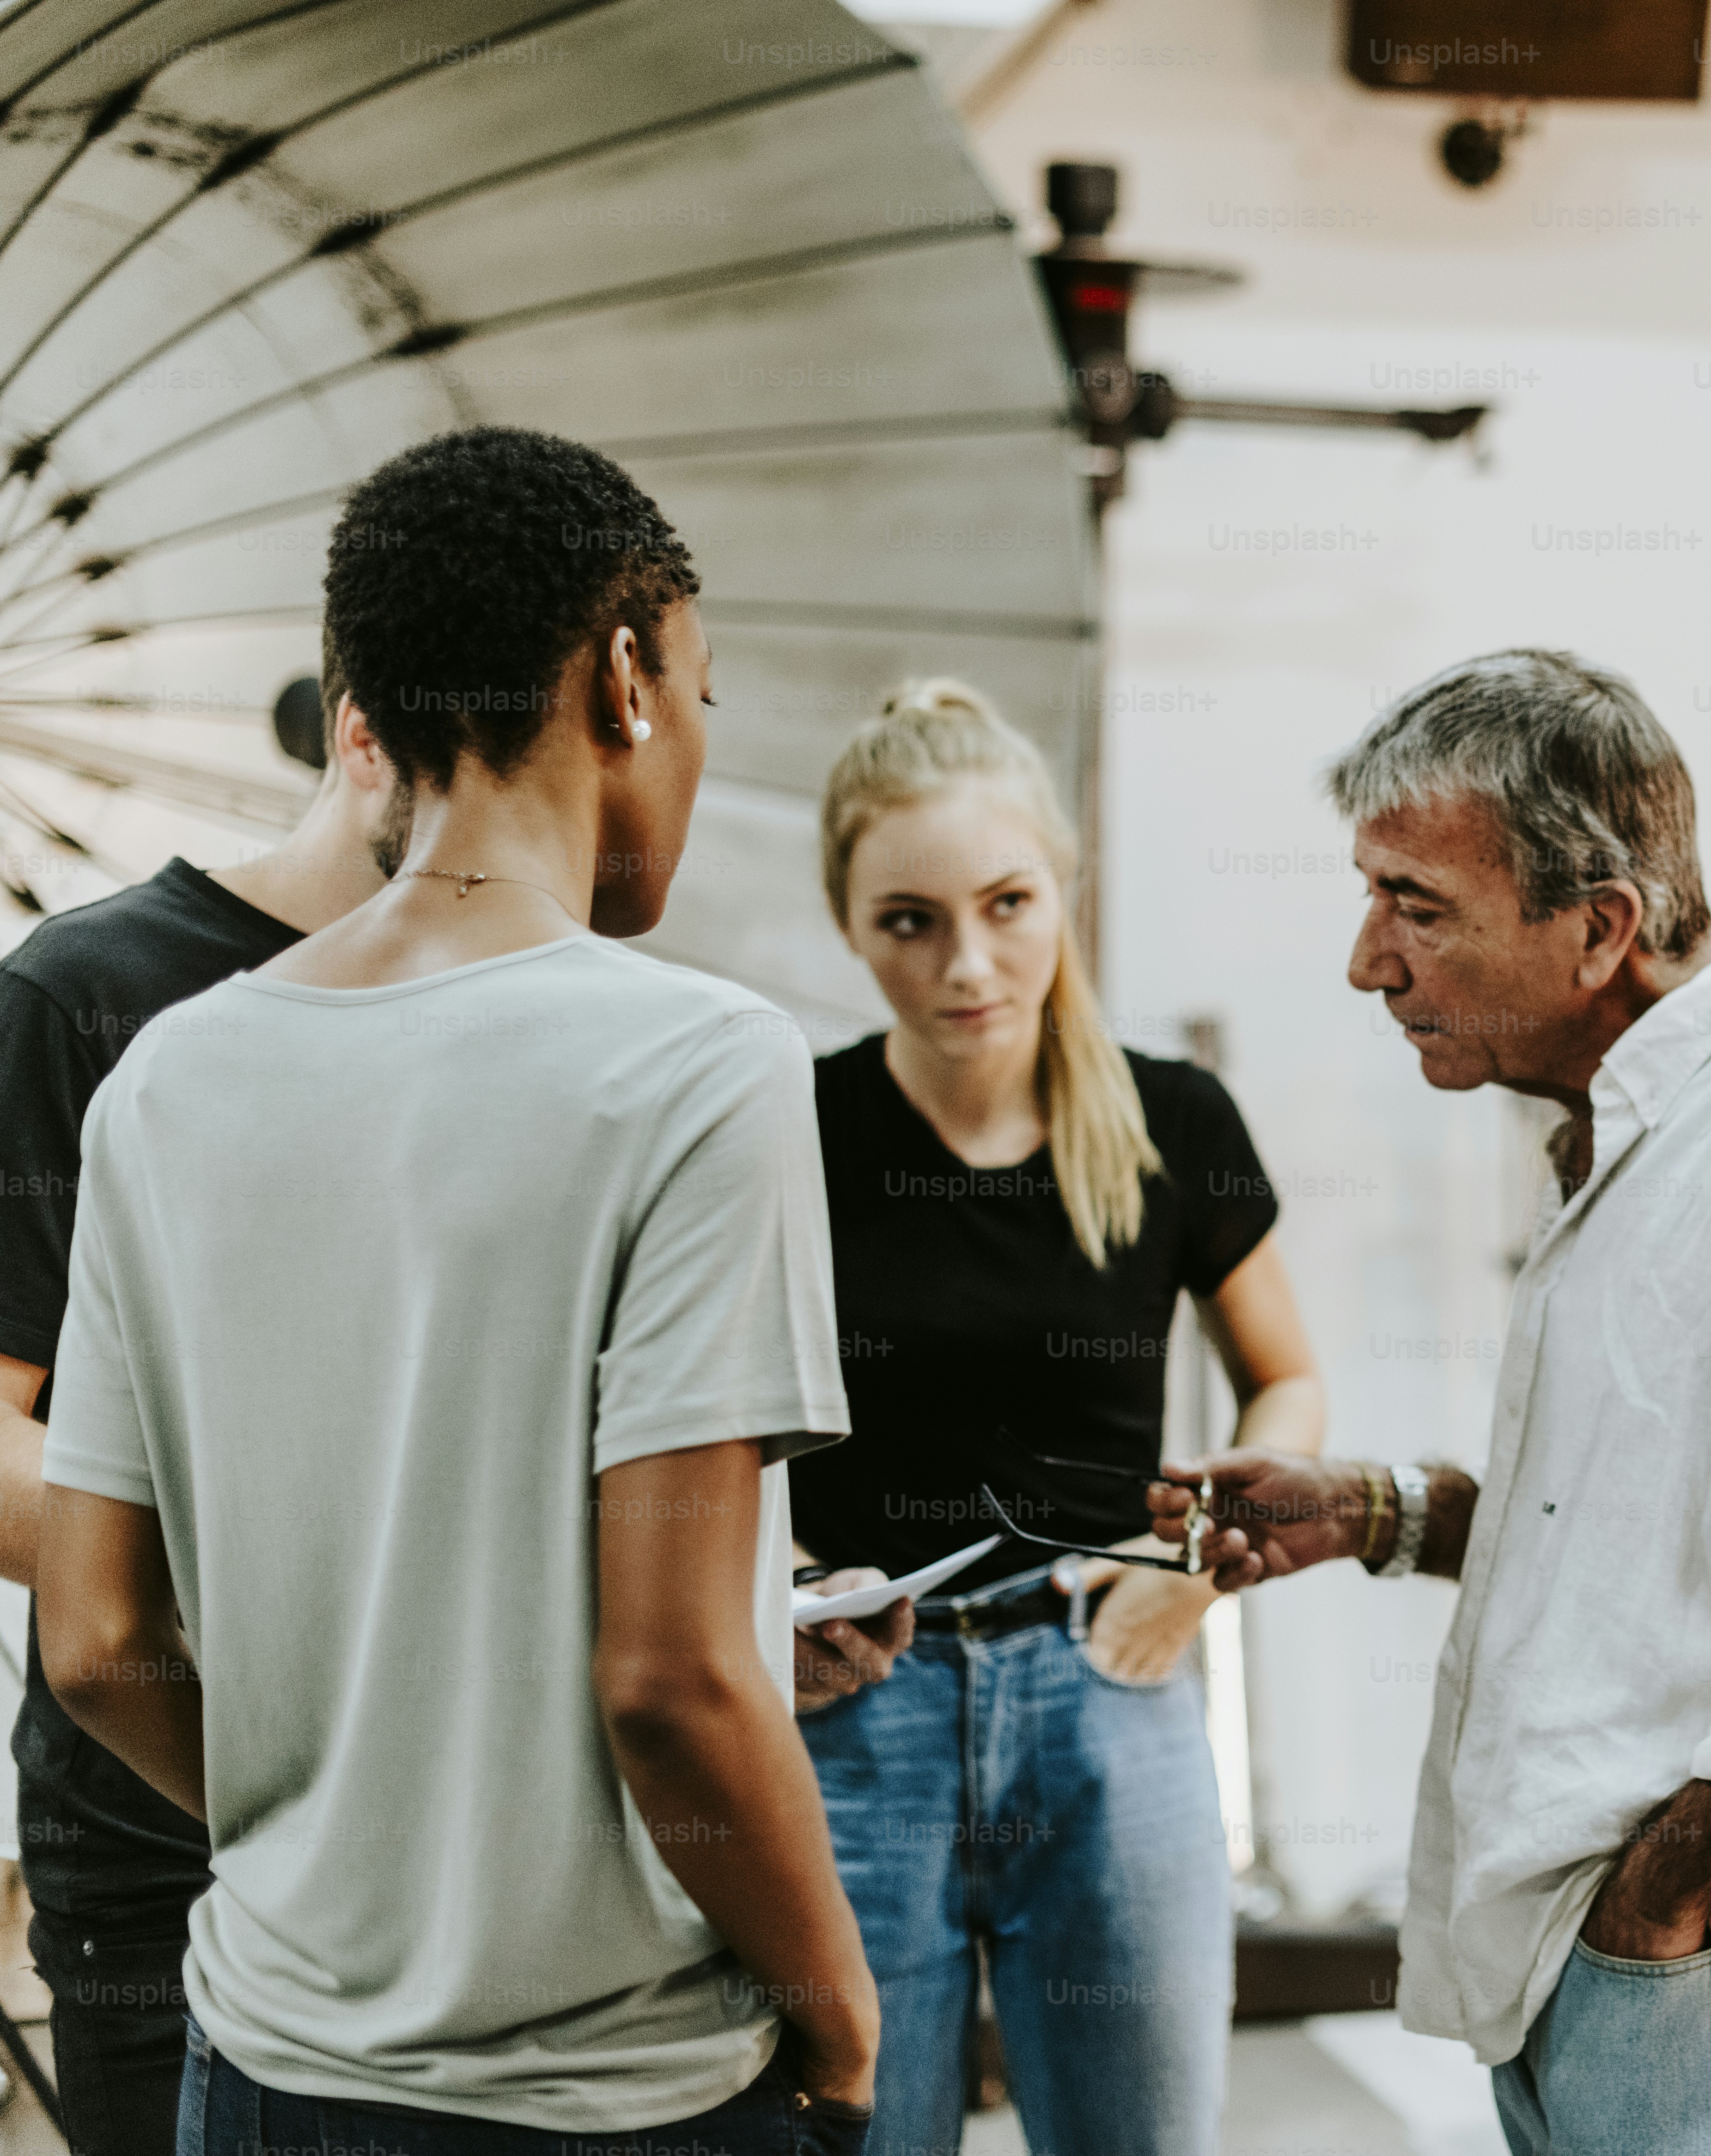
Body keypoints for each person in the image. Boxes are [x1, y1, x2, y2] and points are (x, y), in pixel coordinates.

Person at [33, 425, 880, 2156]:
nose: (701, 744)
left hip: (259, 2062)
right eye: (706, 692)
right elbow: (676, 1681)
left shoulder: (168, 1080)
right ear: (630, 679)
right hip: (609, 2096)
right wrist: (844, 2011)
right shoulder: (702, 1062)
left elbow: (99, 1637)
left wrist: (331, 1826)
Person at [1155, 650, 1711, 2156]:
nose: (1371, 962)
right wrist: (1382, 1512)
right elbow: (1648, 1530)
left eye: (1418, 907)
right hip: (1604, 1971)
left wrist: (1661, 1908)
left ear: (1600, 927)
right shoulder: (1640, 1138)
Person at [787, 681, 1325, 2156]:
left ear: (1063, 886)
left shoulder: (1172, 1119)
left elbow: (1290, 1378)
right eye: (909, 920)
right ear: (847, 919)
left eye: (1010, 903)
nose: (969, 962)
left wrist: (1197, 1573)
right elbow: (685, 1431)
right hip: (854, 1720)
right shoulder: (792, 1131)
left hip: (1107, 1689)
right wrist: (771, 1590)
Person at [0, 653, 402, 2156]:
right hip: (163, 1859)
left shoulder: (523, 1006)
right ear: (368, 736)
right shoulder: (83, 992)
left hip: (447, 1857)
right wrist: (305, 1569)